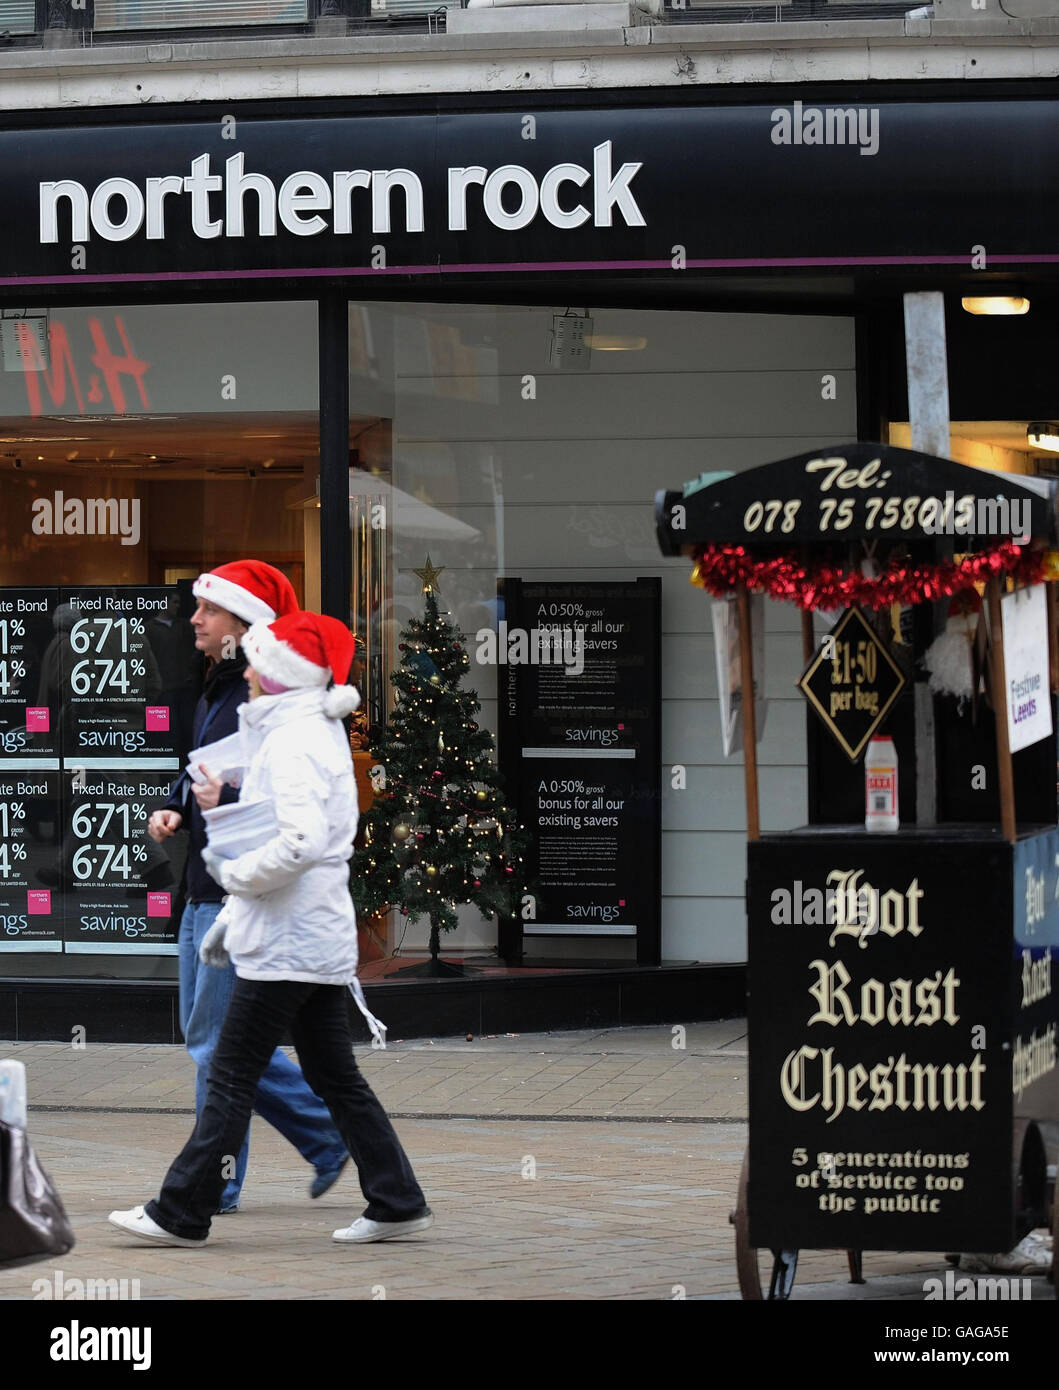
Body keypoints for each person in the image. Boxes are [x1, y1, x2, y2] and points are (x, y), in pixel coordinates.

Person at [109, 610, 432, 1246]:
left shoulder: (295, 738)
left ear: (283, 674)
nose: (248, 672)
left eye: (259, 662)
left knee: (230, 1073)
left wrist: (236, 874)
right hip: (306, 935)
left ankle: (182, 1210)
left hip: (288, 940)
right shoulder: (305, 730)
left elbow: (300, 840)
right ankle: (396, 1199)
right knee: (333, 1075)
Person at [147, 561, 347, 1213]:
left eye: (208, 610)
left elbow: (278, 798)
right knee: (212, 1041)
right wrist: (180, 800)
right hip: (205, 884)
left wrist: (222, 795)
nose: (194, 620)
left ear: (242, 622)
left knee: (219, 1045)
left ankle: (219, 1182)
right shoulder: (220, 685)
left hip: (238, 892)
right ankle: (321, 1138)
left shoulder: (263, 696)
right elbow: (203, 767)